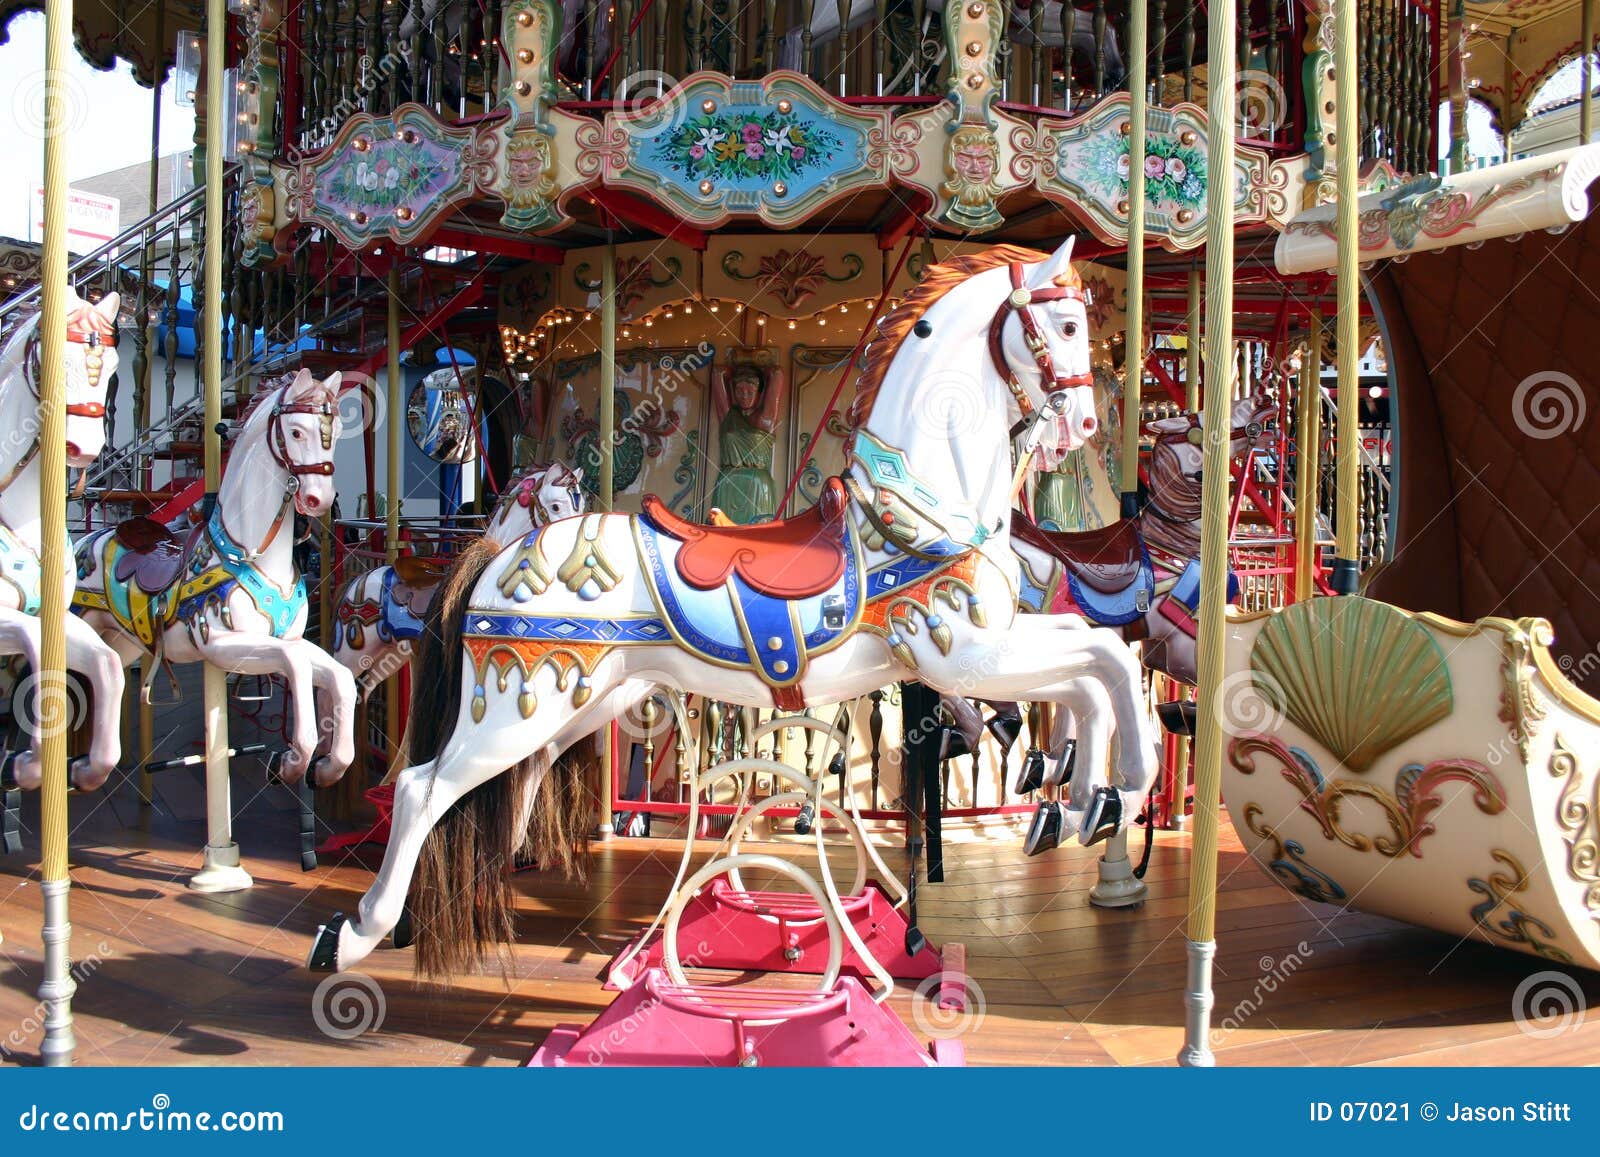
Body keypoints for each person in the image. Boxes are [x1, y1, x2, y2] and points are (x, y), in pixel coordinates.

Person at [709, 361, 787, 524]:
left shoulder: (765, 420)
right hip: (728, 481)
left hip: (757, 483)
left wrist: (766, 370)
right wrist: (724, 372)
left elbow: (777, 373)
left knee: (757, 531)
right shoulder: (728, 417)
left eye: (750, 392)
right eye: (739, 391)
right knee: (720, 532)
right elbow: (716, 373)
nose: (744, 396)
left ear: (759, 394)